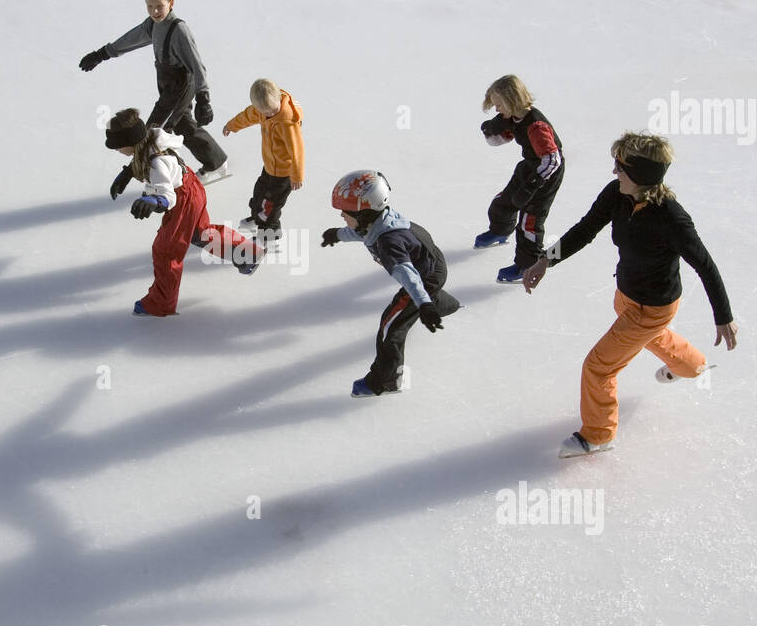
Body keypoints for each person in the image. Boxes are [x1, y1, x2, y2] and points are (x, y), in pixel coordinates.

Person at [521, 132, 739, 457]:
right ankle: (693, 366)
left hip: (652, 307)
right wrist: (545, 260)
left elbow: (705, 264)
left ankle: (598, 434)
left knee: (599, 367)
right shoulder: (617, 195)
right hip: (625, 296)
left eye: (620, 168)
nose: (614, 173)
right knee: (653, 338)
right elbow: (586, 228)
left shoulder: (672, 219)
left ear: (640, 176)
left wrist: (724, 317)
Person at [105, 109, 259, 317]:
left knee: (166, 250)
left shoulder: (157, 163)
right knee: (200, 233)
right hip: (192, 189)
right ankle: (246, 253)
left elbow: (168, 196)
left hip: (182, 199)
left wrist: (152, 201)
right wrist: (127, 173)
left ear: (130, 142)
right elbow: (145, 156)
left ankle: (161, 303)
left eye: (117, 145)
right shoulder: (151, 139)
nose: (116, 150)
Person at [320, 170, 461, 396]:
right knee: (407, 310)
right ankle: (446, 304)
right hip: (432, 264)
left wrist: (424, 303)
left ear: (365, 213)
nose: (342, 216)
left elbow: (408, 274)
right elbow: (362, 234)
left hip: (424, 277)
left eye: (346, 212)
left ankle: (386, 381)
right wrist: (337, 234)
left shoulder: (389, 243)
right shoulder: (377, 222)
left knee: (390, 327)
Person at [81, 0, 230, 185]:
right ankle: (216, 162)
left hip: (180, 85)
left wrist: (203, 98)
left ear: (171, 3)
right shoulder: (153, 24)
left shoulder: (178, 30)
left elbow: (197, 66)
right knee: (184, 125)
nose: (155, 11)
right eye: (150, 6)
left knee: (155, 130)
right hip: (166, 82)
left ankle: (167, 177)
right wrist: (103, 54)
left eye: (159, 6)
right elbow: (132, 38)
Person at [474, 74, 565, 284]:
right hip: (529, 166)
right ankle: (500, 230)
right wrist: (491, 131)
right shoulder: (513, 118)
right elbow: (500, 140)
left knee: (529, 222)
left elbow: (553, 160)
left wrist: (531, 187)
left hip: (546, 175)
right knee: (503, 201)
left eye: (498, 104)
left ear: (512, 100)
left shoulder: (536, 126)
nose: (496, 109)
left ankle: (528, 264)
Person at [221, 78, 305, 245]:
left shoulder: (287, 123)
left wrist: (297, 176)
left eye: (272, 111)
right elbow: (247, 116)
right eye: (264, 112)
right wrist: (232, 125)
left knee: (271, 205)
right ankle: (257, 217)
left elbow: (297, 150)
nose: (269, 115)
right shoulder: (262, 110)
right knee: (259, 192)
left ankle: (270, 234)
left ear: (278, 99)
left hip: (284, 173)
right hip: (270, 166)